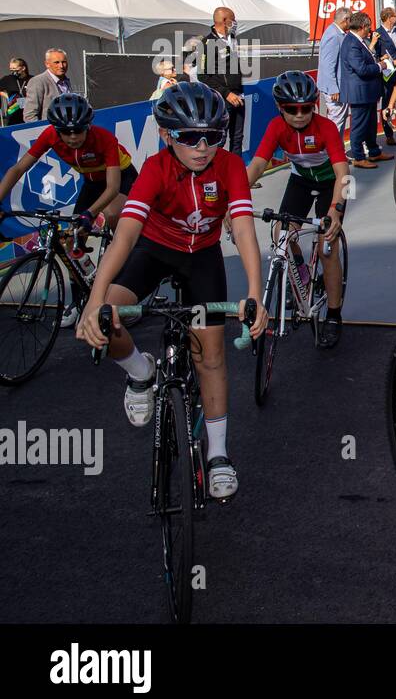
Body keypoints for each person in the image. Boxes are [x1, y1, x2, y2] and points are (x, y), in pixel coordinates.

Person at [74, 82, 267, 501]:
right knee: (106, 317)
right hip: (155, 250)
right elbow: (125, 236)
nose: (202, 147)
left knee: (211, 356)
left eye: (212, 137)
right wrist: (93, 301)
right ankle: (140, 372)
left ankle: (218, 455)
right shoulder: (155, 169)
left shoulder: (230, 166)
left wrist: (255, 292)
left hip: (202, 257)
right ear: (165, 135)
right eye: (188, 137)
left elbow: (246, 232)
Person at [0, 92, 137, 324]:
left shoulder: (104, 139)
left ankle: (124, 281)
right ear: (56, 129)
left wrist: (90, 214)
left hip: (122, 179)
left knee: (113, 215)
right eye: (66, 132)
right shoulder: (50, 135)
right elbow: (17, 169)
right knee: (72, 241)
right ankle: (80, 298)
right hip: (92, 183)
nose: (72, 137)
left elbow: (113, 188)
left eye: (78, 130)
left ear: (88, 126)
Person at [246, 71, 349, 349]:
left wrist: (335, 213)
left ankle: (334, 316)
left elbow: (344, 174)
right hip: (301, 181)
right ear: (281, 108)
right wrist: (235, 200)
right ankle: (300, 270)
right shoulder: (276, 127)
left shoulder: (325, 127)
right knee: (282, 232)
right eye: (292, 109)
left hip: (332, 184)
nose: (301, 115)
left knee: (327, 248)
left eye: (307, 108)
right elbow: (256, 166)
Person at [184, 7, 246, 152]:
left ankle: (235, 172)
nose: (235, 23)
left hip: (238, 95)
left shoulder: (233, 38)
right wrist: (226, 93)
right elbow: (203, 76)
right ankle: (216, 172)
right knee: (220, 138)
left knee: (237, 138)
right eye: (233, 19)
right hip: (222, 99)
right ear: (225, 20)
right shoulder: (207, 44)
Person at [339, 11, 388, 168]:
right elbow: (361, 69)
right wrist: (380, 66)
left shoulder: (357, 41)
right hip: (360, 93)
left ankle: (374, 152)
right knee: (359, 126)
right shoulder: (352, 43)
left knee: (370, 124)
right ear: (362, 26)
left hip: (367, 92)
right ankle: (359, 157)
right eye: (368, 27)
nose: (370, 30)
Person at [316, 7, 351, 136]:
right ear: (345, 20)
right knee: (336, 121)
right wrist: (333, 88)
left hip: (337, 85)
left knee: (339, 119)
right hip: (335, 88)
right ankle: (333, 153)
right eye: (350, 19)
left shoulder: (335, 32)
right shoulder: (334, 35)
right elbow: (327, 64)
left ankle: (336, 152)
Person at [374, 8, 396, 146]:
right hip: (387, 73)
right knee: (387, 103)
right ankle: (388, 134)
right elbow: (375, 56)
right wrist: (391, 61)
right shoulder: (377, 34)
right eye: (395, 15)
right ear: (388, 18)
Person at [24, 48, 72, 123]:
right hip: (50, 131)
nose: (61, 66)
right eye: (56, 62)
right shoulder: (38, 81)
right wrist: (42, 132)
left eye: (64, 62)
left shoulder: (65, 81)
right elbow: (29, 115)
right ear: (47, 64)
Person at [2, 57, 32, 125]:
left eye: (14, 69)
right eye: (11, 69)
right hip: (13, 112)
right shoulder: (7, 79)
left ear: (23, 68)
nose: (13, 71)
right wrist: (7, 97)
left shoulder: (32, 79)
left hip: (29, 112)